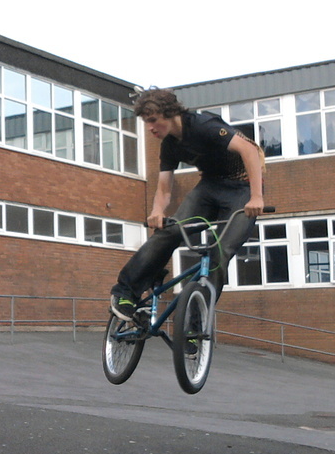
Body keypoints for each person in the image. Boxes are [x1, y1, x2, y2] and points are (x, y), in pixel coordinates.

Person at [110, 87, 266, 321]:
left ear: (170, 113)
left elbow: (249, 151)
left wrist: (257, 197)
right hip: (210, 187)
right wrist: (157, 211)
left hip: (242, 191)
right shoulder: (170, 146)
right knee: (170, 230)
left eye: (153, 120)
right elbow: (164, 187)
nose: (150, 128)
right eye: (146, 122)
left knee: (220, 255)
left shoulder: (204, 126)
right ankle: (126, 292)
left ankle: (194, 326)